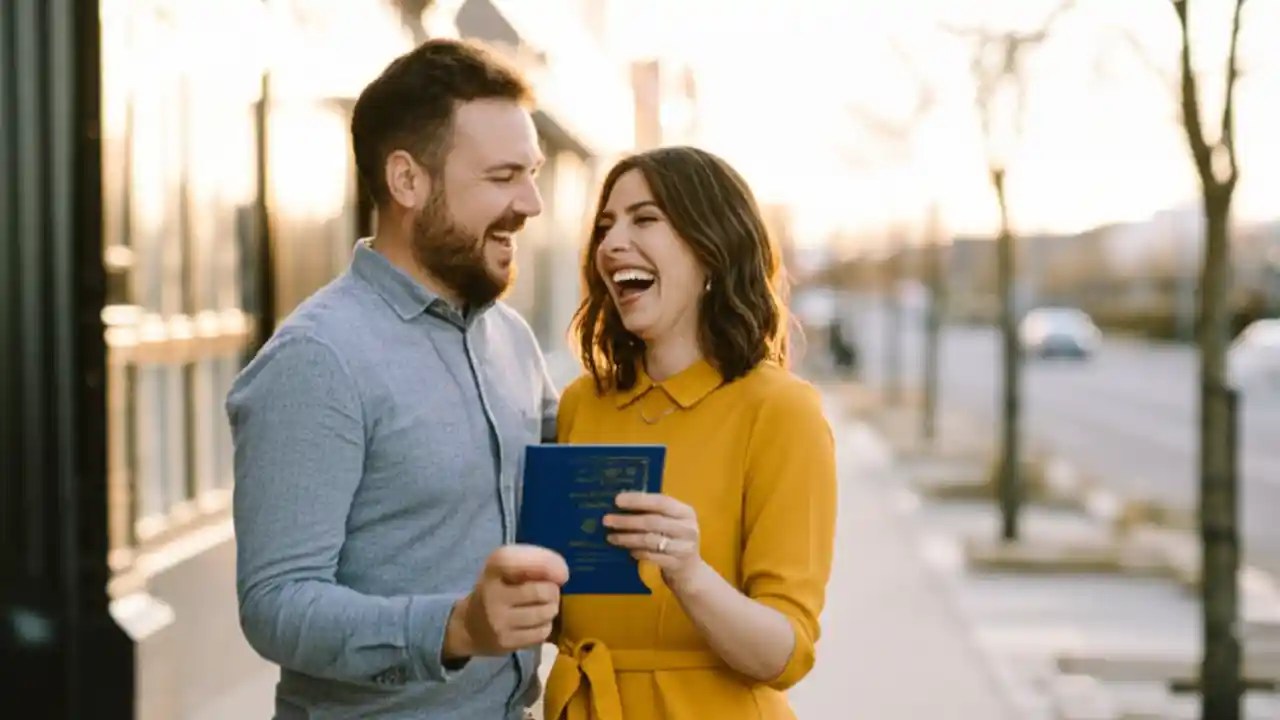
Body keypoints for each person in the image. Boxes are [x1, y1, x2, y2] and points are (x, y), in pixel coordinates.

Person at [226, 39, 568, 720]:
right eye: (503, 177)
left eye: (532, 173)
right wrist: (458, 628)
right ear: (408, 181)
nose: (530, 203)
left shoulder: (512, 339)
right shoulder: (318, 358)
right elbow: (275, 605)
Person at [542, 146, 838, 719]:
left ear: (711, 248)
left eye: (644, 219)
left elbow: (787, 651)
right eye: (605, 226)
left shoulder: (781, 410)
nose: (611, 243)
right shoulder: (583, 404)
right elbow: (572, 605)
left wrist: (688, 574)